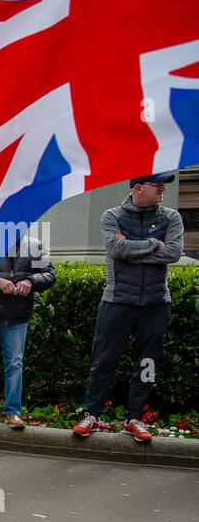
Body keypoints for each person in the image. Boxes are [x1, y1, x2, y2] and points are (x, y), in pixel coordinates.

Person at [73, 173, 184, 444]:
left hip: (156, 304)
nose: (162, 189)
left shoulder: (172, 217)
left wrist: (131, 248)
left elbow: (173, 253)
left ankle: (135, 417)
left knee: (147, 364)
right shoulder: (112, 215)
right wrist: (152, 244)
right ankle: (92, 415)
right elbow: (114, 247)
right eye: (156, 185)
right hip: (117, 302)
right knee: (103, 360)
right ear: (137, 188)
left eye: (163, 185)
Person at [0, 235, 58, 430]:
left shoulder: (35, 245)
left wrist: (31, 281)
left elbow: (49, 275)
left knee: (15, 364)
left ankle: (13, 412)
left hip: (18, 316)